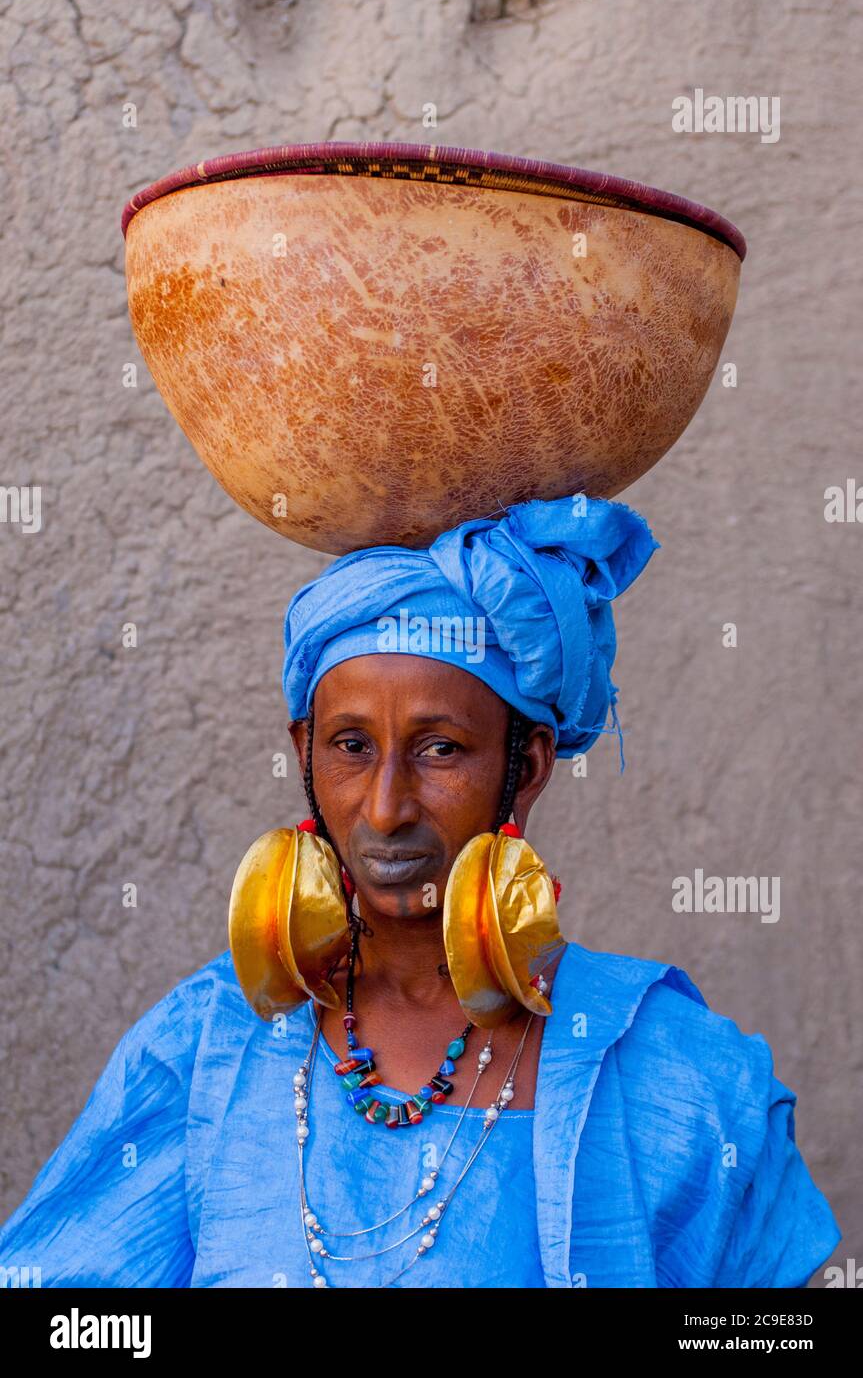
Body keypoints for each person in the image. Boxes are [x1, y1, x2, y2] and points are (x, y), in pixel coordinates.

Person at [0, 495, 840, 1288]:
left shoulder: (678, 1071)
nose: (385, 807)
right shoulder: (205, 1048)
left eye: (440, 749)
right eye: (350, 746)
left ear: (529, 763)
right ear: (303, 753)